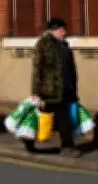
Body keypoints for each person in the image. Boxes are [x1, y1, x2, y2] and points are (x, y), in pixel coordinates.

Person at [30, 17, 81, 158]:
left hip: (65, 90)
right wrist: (35, 92)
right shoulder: (43, 44)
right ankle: (29, 140)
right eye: (61, 30)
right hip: (49, 91)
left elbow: (71, 69)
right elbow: (36, 69)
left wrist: (73, 89)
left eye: (64, 30)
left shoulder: (65, 45)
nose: (64, 33)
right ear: (53, 30)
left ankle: (66, 146)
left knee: (61, 119)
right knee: (41, 118)